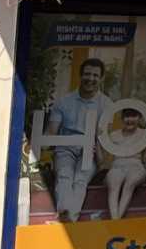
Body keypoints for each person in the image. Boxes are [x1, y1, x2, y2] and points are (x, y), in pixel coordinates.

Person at [45, 56, 111, 222]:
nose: (91, 78)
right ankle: (66, 215)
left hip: (89, 149)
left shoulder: (106, 104)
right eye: (87, 74)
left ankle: (68, 220)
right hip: (65, 147)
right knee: (65, 176)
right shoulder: (63, 101)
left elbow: (103, 136)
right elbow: (52, 131)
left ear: (101, 78)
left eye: (95, 75)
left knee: (81, 180)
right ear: (80, 76)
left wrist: (100, 158)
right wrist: (44, 145)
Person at [102, 105, 146, 220]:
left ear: (139, 117)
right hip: (117, 166)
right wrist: (98, 139)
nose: (130, 119)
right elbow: (103, 160)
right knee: (114, 185)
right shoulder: (113, 135)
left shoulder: (144, 134)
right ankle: (116, 220)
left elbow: (145, 160)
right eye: (127, 116)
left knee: (129, 184)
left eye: (133, 116)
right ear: (122, 118)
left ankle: (115, 221)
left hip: (136, 166)